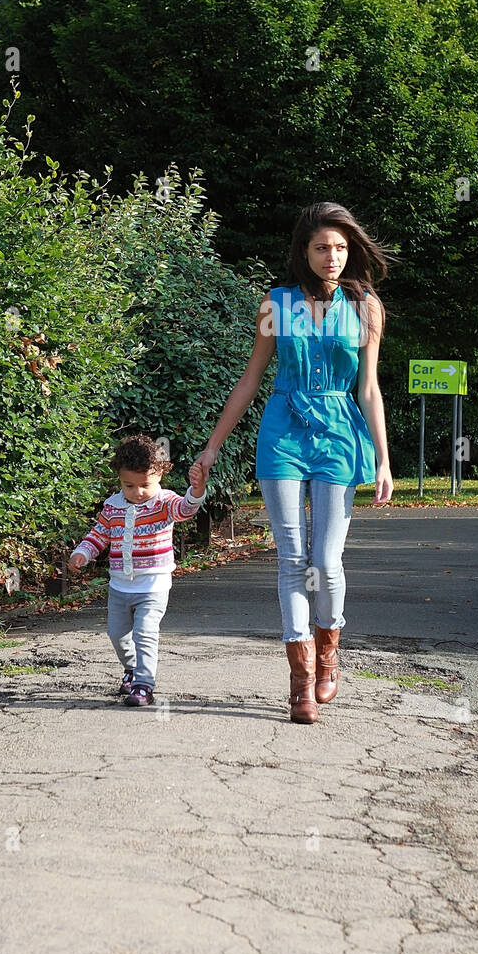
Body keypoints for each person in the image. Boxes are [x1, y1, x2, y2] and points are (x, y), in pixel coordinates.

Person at [193, 201, 394, 724]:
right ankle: (300, 681)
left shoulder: (367, 306)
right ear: (305, 253)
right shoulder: (276, 304)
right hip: (283, 430)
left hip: (340, 433)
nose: (333, 256)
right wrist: (213, 447)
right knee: (290, 558)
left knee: (325, 562)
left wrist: (384, 459)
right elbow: (251, 379)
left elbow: (369, 389)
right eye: (323, 247)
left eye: (342, 248)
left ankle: (330, 652)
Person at [68, 433, 207, 706]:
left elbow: (186, 509)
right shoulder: (113, 506)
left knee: (145, 633)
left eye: (145, 484)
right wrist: (82, 553)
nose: (137, 492)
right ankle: (131, 670)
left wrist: (197, 490)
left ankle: (144, 685)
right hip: (119, 585)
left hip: (153, 585)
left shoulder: (165, 503)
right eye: (128, 485)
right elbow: (99, 535)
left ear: (160, 476)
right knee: (117, 635)